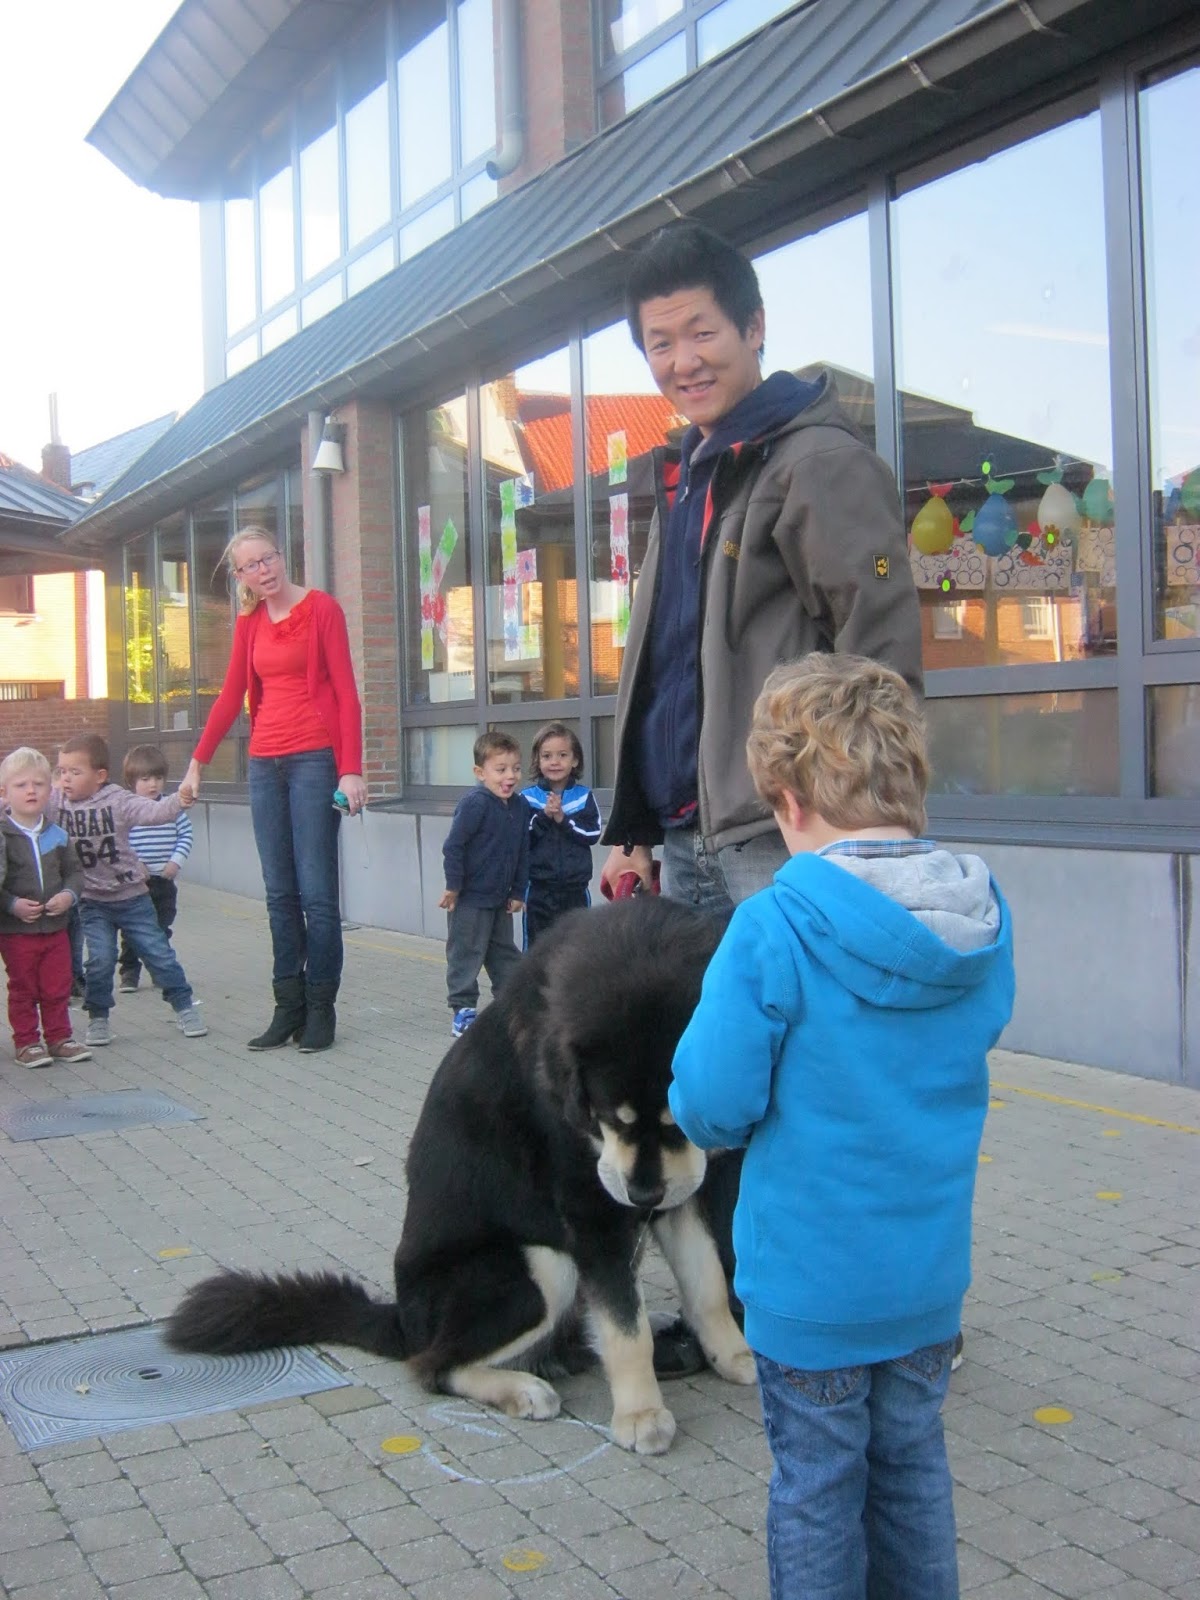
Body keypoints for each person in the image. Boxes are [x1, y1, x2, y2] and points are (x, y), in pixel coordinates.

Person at [668, 654, 1015, 1600]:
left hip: (810, 1284)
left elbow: (710, 1103)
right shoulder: (980, 917)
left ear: (787, 799)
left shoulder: (773, 926)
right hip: (926, 1279)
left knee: (818, 1490)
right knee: (912, 1472)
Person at [599, 221, 923, 914]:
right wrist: (635, 830)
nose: (684, 361)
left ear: (754, 327)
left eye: (702, 332)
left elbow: (881, 660)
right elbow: (666, 667)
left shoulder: (818, 462)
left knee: (802, 991)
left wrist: (855, 829)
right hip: (687, 836)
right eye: (661, 344)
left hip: (789, 833)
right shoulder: (691, 473)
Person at [183, 526, 365, 1054]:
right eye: (250, 566)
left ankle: (320, 1008)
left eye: (268, 559)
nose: (263, 571)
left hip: (315, 761)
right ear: (239, 576)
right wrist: (197, 763)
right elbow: (230, 695)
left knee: (317, 894)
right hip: (265, 764)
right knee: (280, 894)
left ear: (282, 558)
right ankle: (287, 1007)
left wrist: (350, 769)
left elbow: (346, 692)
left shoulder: (322, 609)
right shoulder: (249, 622)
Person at [54, 733, 206, 1050]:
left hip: (132, 898)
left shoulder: (118, 800)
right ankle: (98, 1018)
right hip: (92, 902)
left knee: (158, 954)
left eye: (75, 771)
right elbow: (21, 803)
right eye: (62, 771)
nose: (65, 778)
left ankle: (184, 1007)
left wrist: (180, 798)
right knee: (100, 961)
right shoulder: (57, 803)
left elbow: (155, 811)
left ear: (100, 776)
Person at [0, 747, 90, 1066]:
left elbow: (75, 873)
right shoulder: (4, 836)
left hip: (55, 928)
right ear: (4, 792)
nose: (31, 791)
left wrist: (68, 895)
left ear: (50, 791)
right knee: (23, 987)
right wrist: (12, 905)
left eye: (38, 784)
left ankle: (59, 1037)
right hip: (16, 931)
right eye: (21, 785)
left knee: (57, 985)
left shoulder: (58, 834)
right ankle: (26, 1042)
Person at [439, 731, 529, 1037]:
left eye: (516, 768)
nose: (510, 776)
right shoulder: (475, 804)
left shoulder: (520, 806)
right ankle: (463, 1009)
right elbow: (454, 847)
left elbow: (522, 851)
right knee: (466, 953)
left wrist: (518, 891)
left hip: (500, 899)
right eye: (501, 769)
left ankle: (513, 1005)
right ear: (480, 773)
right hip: (470, 899)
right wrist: (453, 887)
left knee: (504, 953)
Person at [118, 744, 193, 996]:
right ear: (132, 782)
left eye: (158, 778)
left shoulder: (172, 808)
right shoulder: (128, 810)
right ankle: (129, 971)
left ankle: (160, 970)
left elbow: (186, 836)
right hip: (136, 885)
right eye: (145, 779)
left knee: (161, 928)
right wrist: (135, 863)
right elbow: (120, 841)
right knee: (133, 929)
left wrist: (176, 861)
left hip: (164, 881)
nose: (153, 785)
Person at [520, 722, 602, 946]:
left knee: (576, 947)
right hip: (539, 889)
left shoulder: (584, 796)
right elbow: (522, 839)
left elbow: (593, 833)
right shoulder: (527, 798)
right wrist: (545, 816)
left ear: (575, 760)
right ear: (538, 760)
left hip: (575, 889)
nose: (554, 762)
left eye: (562, 755)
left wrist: (563, 820)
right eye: (547, 756)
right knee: (537, 947)